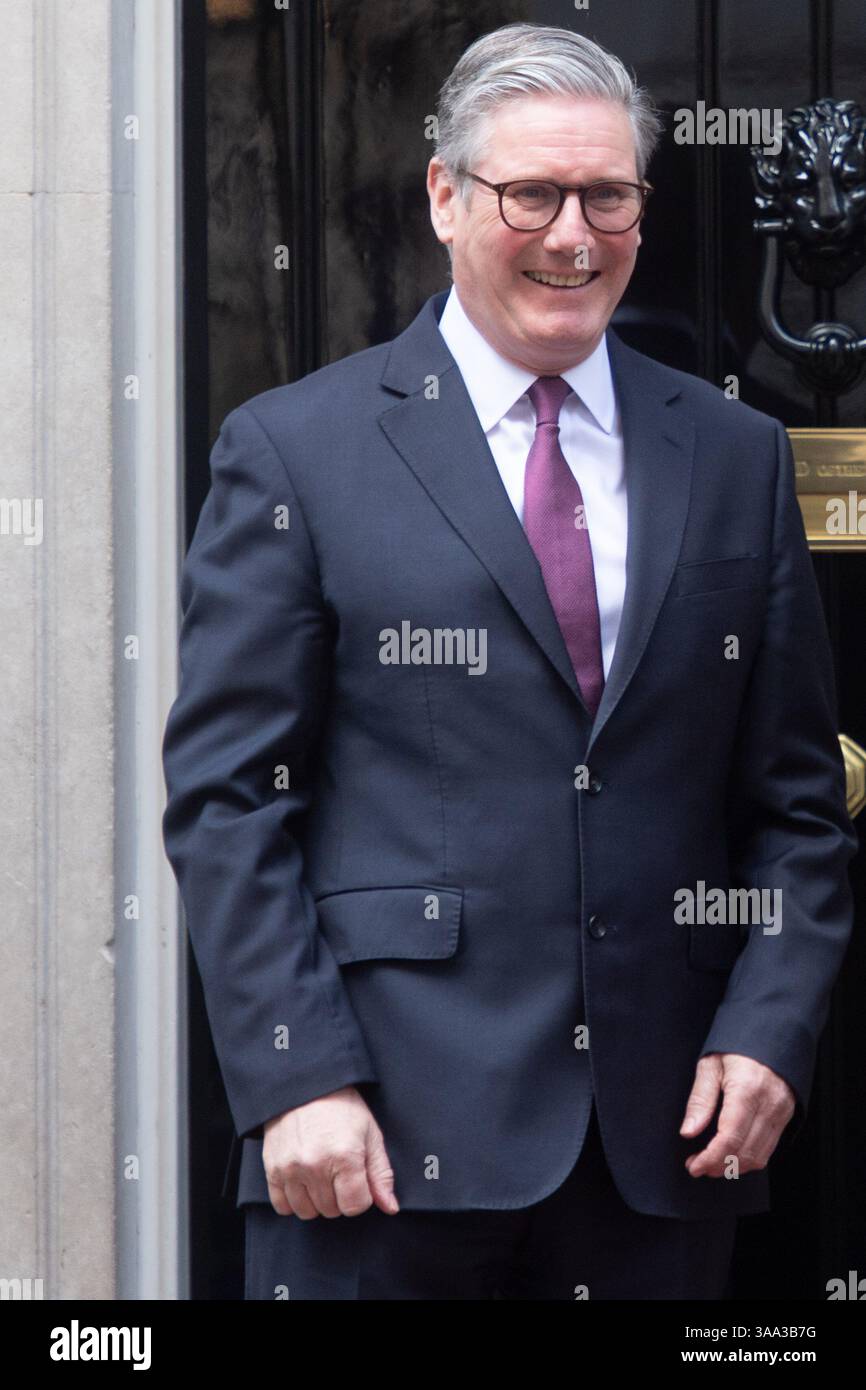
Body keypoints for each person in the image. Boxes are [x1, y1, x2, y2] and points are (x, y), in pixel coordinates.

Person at [161, 23, 857, 1300]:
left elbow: (797, 811)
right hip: (371, 1152)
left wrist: (769, 1036)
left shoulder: (733, 454)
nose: (572, 236)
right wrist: (295, 1073)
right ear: (444, 195)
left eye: (608, 196)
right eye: (530, 193)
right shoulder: (294, 453)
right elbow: (228, 801)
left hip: (659, 1161)